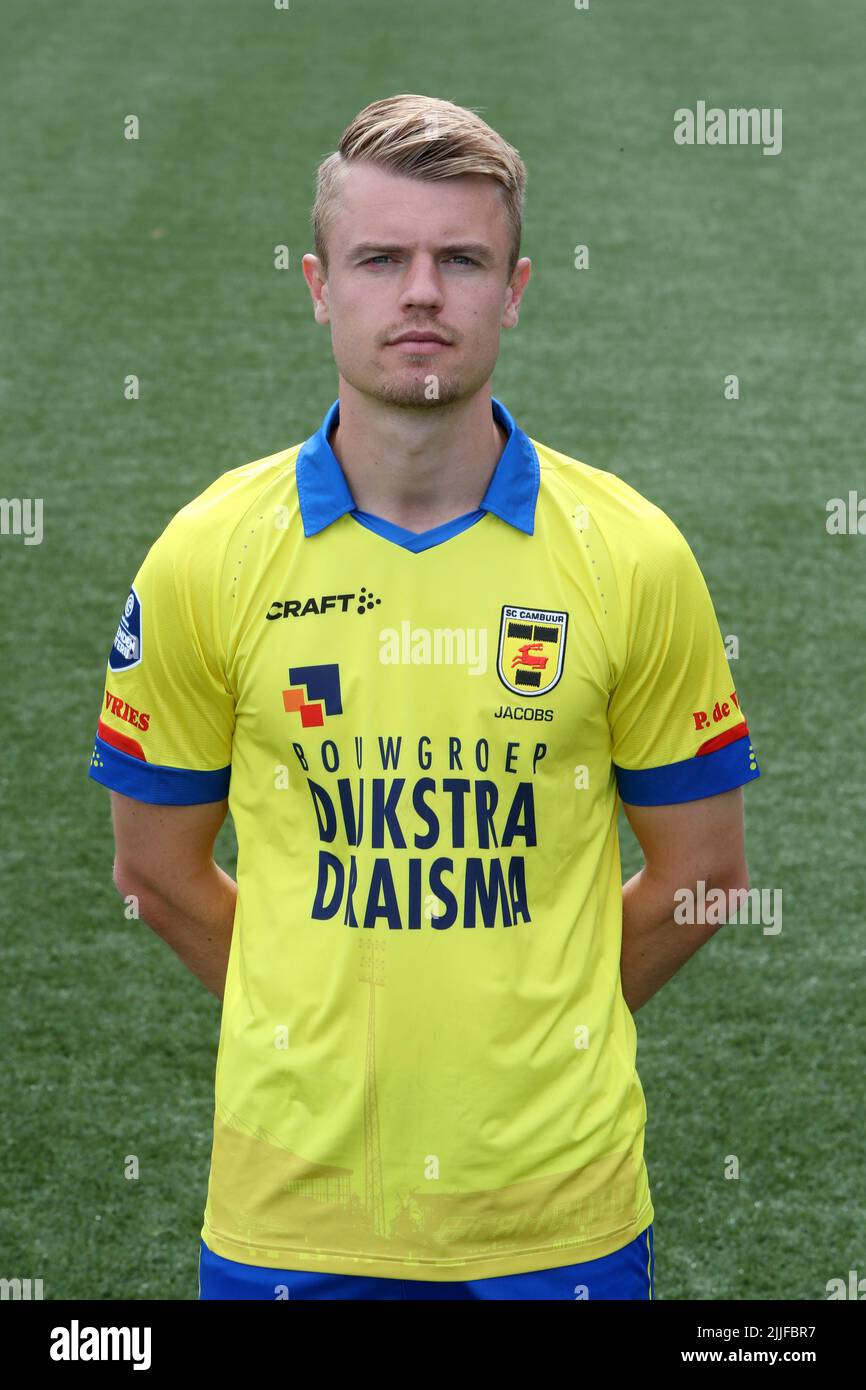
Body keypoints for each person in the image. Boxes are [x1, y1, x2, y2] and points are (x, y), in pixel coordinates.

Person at [88, 93, 760, 1301]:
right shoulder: (203, 553)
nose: (419, 292)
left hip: (558, 1213)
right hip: (288, 1211)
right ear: (317, 284)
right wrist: (328, 1008)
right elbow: (156, 873)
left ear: (512, 289)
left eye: (460, 260)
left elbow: (702, 877)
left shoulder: (633, 553)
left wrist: (523, 1023)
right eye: (379, 258)